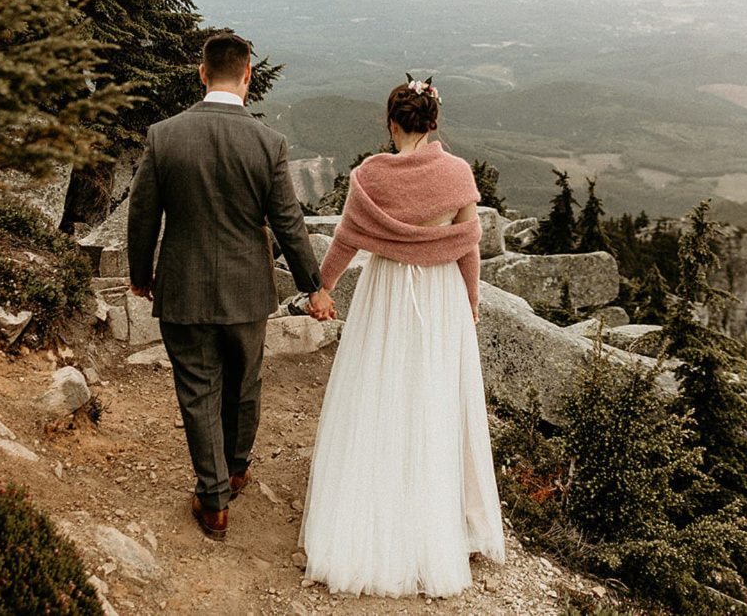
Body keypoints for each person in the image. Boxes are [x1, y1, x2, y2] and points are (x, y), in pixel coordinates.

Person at [299, 76, 506, 597]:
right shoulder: (457, 172)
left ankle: (368, 516)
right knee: (434, 399)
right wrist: (472, 298)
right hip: (439, 299)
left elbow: (346, 240)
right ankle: (437, 521)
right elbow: (468, 242)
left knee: (378, 393)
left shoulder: (370, 175)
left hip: (386, 292)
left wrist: (322, 288)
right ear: (434, 122)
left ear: (393, 123)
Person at [126, 31, 335, 543]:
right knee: (244, 382)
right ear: (247, 77)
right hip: (247, 289)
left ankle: (214, 499)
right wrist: (315, 286)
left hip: (184, 285)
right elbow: (289, 223)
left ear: (202, 74)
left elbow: (142, 214)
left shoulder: (164, 135)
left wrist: (139, 273)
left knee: (198, 388)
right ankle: (237, 468)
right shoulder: (268, 143)